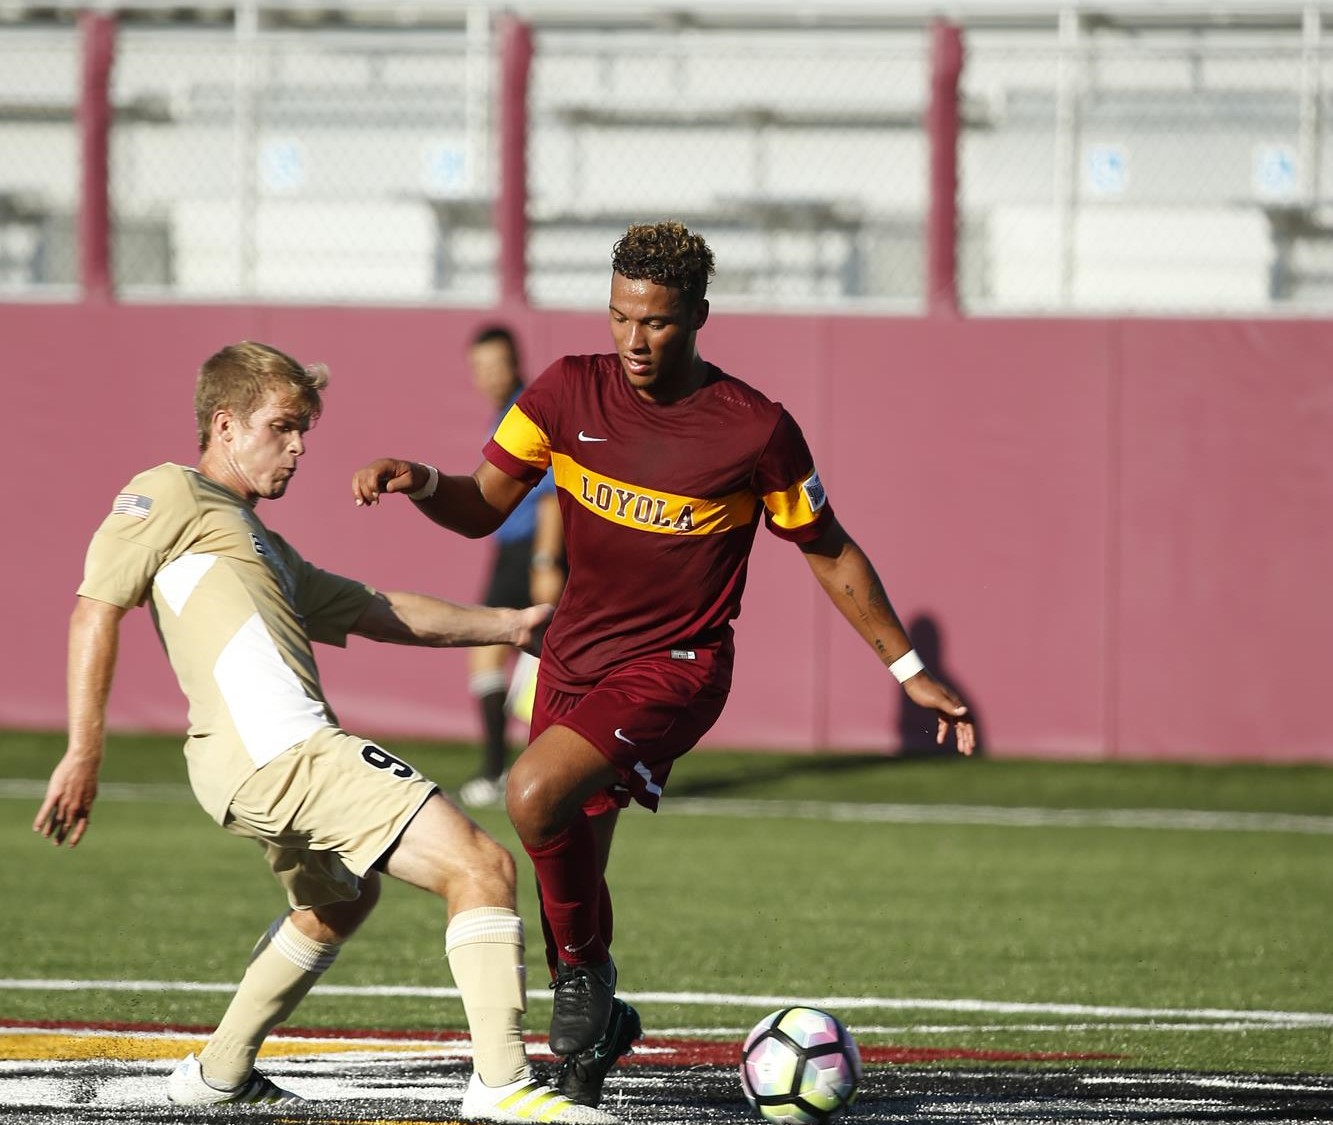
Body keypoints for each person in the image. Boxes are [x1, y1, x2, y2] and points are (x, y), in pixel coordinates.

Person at [351, 221, 977, 1109]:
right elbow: (483, 506)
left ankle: (586, 979)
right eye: (619, 317)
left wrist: (906, 667)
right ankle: (595, 1038)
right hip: (574, 658)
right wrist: (420, 479)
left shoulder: (754, 429)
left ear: (698, 316)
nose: (634, 341)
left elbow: (828, 550)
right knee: (570, 861)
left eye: (655, 323)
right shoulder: (566, 390)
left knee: (531, 796)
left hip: (677, 666)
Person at [32, 342, 617, 1125]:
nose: (301, 446)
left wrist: (510, 624)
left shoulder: (260, 542)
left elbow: (380, 609)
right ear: (226, 424)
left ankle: (218, 1070)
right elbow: (94, 607)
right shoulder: (167, 491)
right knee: (479, 865)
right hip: (285, 754)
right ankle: (501, 1082)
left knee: (339, 899)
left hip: (256, 762)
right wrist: (84, 749)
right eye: (284, 426)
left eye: (306, 428)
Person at [459, 325, 565, 808]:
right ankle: (502, 771)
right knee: (495, 655)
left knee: (521, 655)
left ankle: (509, 771)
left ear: (515, 362)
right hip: (510, 549)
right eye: (479, 367)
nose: (488, 375)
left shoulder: (528, 413)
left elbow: (549, 499)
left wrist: (546, 560)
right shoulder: (503, 414)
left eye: (496, 364)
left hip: (531, 552)